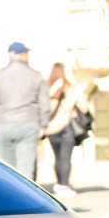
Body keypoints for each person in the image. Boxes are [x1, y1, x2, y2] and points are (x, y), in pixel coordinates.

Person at [0, 42, 49, 178]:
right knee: (26, 169)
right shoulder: (36, 75)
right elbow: (45, 104)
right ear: (23, 54)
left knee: (8, 171)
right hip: (28, 123)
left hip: (4, 124)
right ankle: (27, 197)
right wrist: (43, 125)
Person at [43, 62, 88, 197]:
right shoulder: (71, 88)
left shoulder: (47, 87)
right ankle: (63, 185)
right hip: (67, 126)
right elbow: (84, 107)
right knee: (65, 157)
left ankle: (58, 183)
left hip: (51, 128)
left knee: (57, 157)